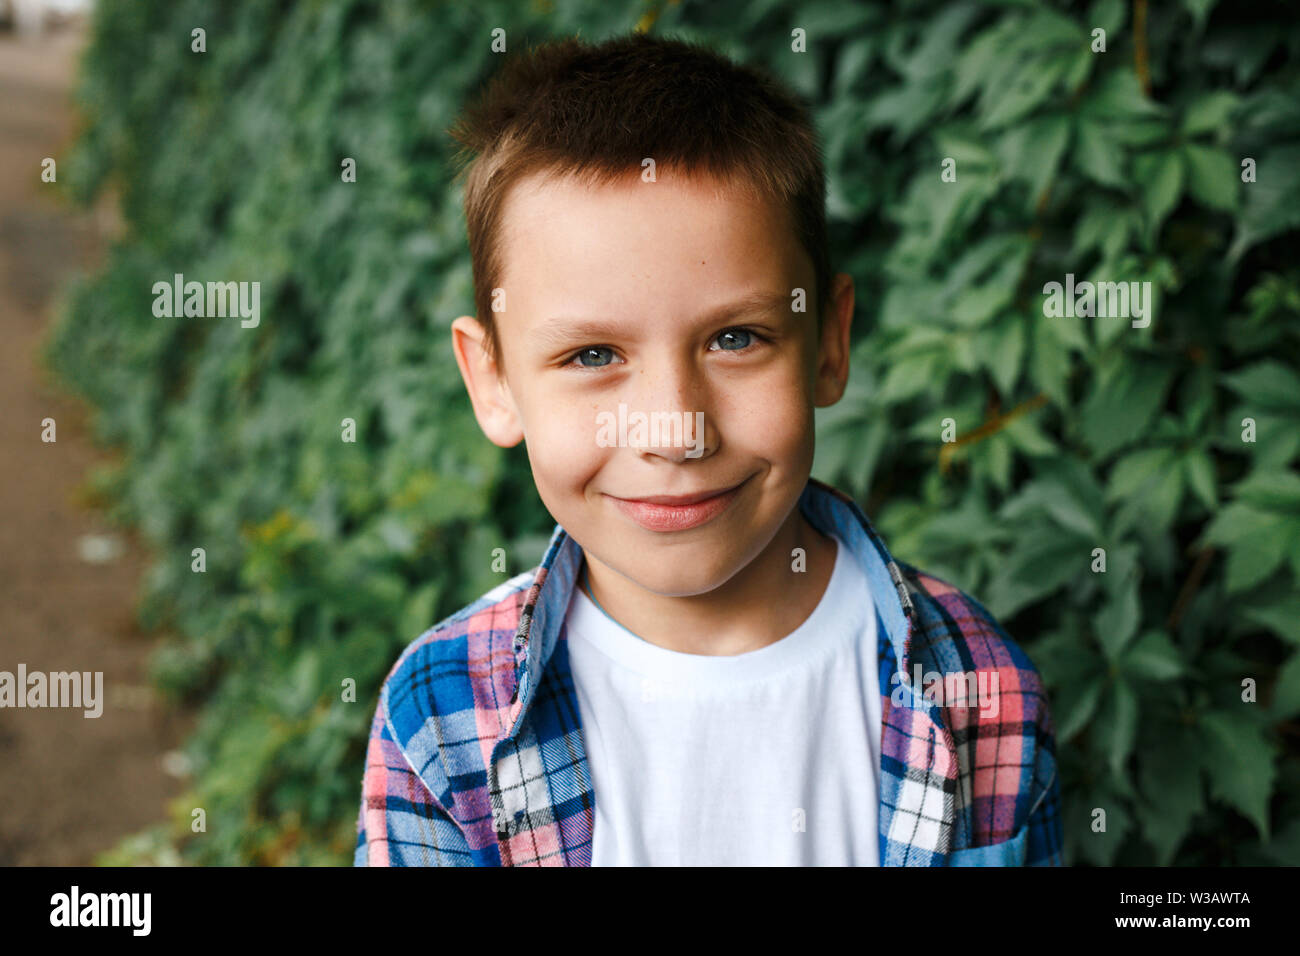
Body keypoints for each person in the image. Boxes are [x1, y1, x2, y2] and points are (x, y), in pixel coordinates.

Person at [354, 31, 1063, 866]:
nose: (674, 430)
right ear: (493, 380)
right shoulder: (439, 718)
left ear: (829, 344)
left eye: (736, 338)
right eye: (592, 356)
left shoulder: (983, 692)